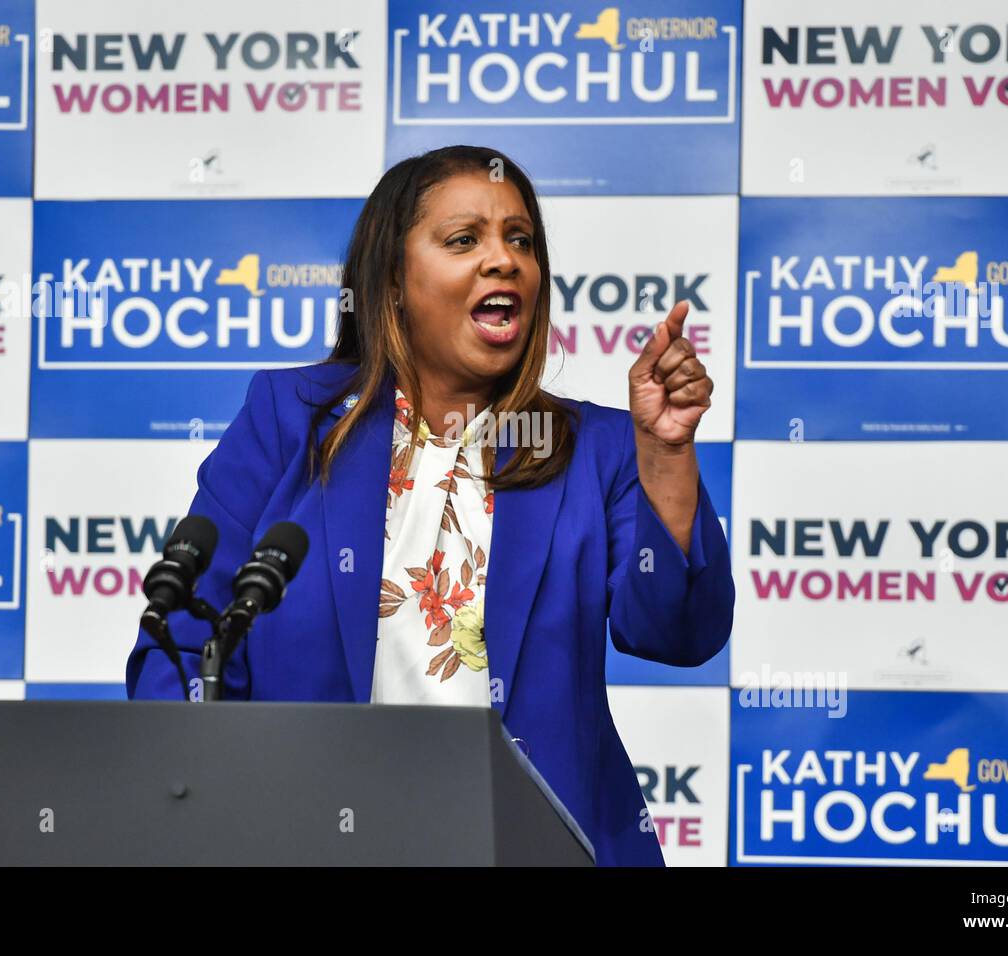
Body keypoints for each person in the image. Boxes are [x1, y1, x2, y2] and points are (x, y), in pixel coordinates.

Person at [126, 145, 735, 866]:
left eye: (520, 240)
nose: (503, 259)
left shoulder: (593, 445)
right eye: (463, 240)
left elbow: (679, 632)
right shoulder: (288, 418)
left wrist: (665, 452)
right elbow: (185, 651)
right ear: (391, 282)